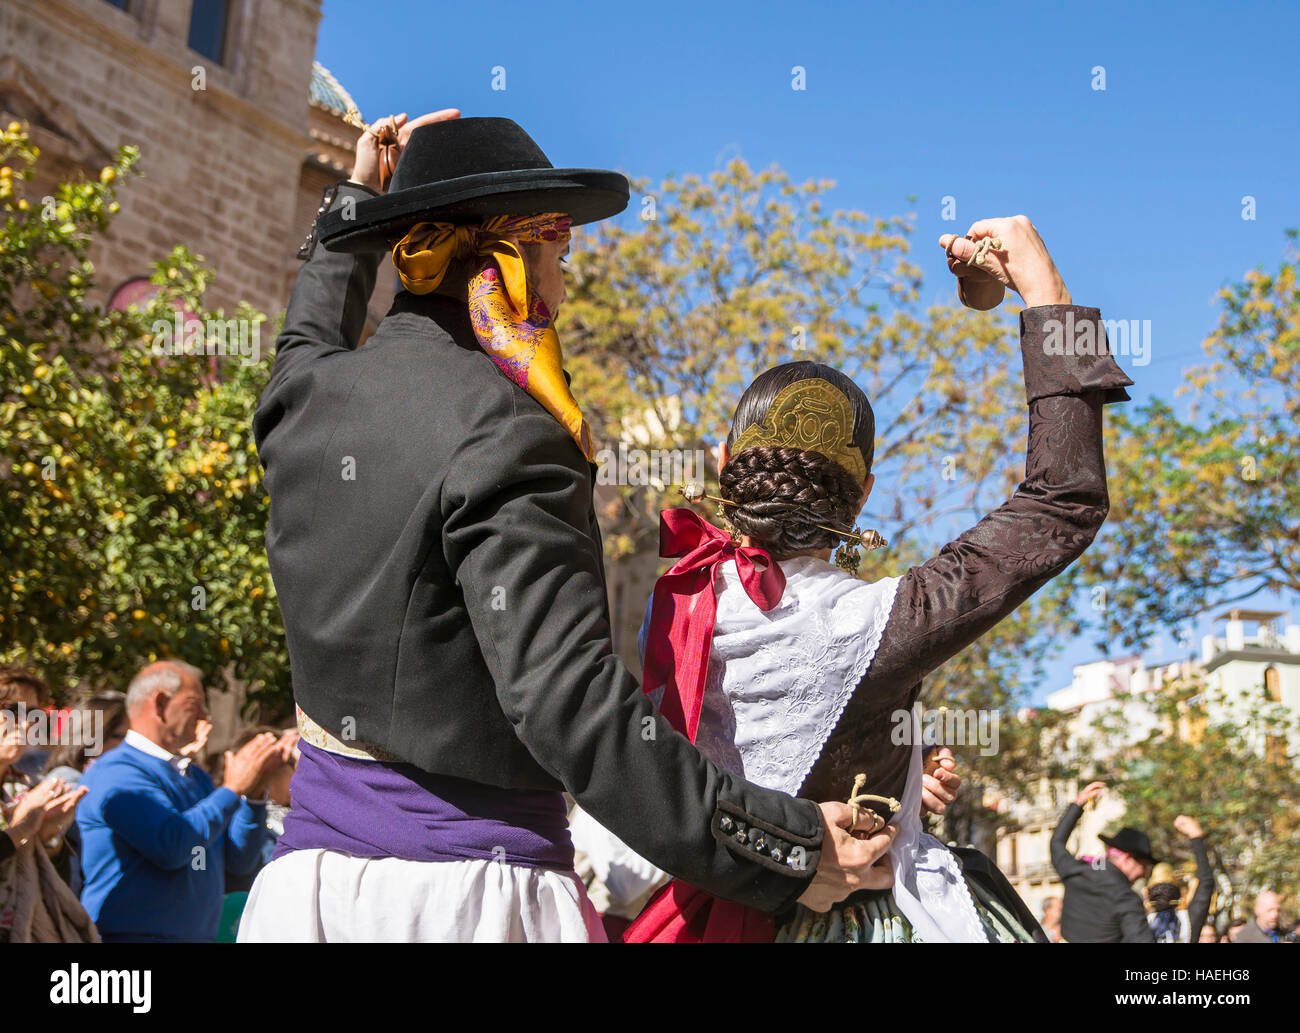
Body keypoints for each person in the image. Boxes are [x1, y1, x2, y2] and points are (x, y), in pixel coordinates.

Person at [237, 110, 892, 943]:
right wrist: (791, 846)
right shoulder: (510, 432)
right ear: (509, 262)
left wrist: (358, 199)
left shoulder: (303, 399)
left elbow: (309, 328)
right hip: (462, 905)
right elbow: (568, 702)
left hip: (302, 896)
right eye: (559, 253)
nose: (563, 285)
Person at [598, 215, 1132, 942]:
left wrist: (906, 772)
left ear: (725, 463)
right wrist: (1045, 290)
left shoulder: (681, 601)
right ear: (865, 492)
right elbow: (1062, 500)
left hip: (698, 910)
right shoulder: (885, 618)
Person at [76, 660, 282, 942]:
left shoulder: (195, 776)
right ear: (160, 703)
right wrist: (232, 789)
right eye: (195, 703)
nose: (204, 715)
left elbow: (240, 862)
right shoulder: (116, 772)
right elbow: (172, 846)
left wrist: (253, 795)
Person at [0, 665, 96, 942]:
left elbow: (50, 884)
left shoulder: (23, 789)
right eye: (12, 711)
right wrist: (20, 831)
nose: (27, 724)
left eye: (33, 714)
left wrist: (49, 839)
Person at [1051, 780, 1157, 943]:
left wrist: (1078, 804)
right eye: (1144, 867)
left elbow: (1056, 844)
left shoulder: (1077, 872)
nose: (1143, 874)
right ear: (1127, 859)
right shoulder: (1126, 898)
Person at [1146, 814, 1214, 943]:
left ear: (1147, 896)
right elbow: (1206, 882)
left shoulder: (1137, 924)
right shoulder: (1188, 920)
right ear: (1180, 895)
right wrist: (1196, 836)